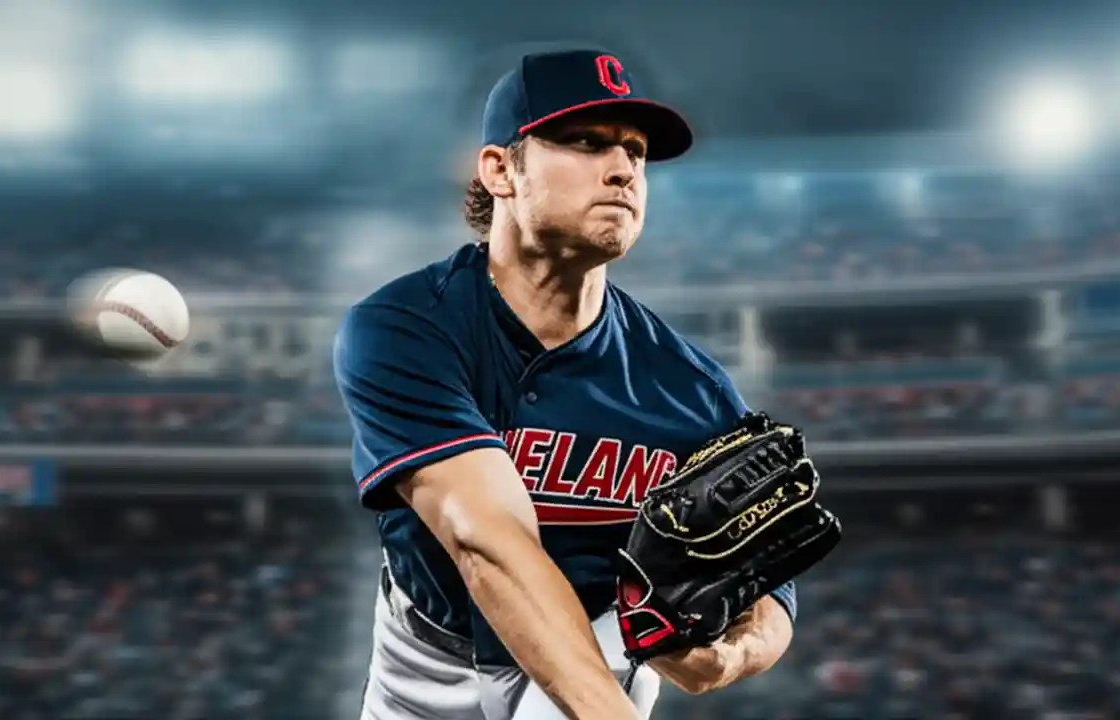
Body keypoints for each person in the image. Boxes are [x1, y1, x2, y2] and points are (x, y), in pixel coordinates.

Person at [334, 48, 798, 720]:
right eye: (585, 142)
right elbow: (486, 544)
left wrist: (733, 654)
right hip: (425, 661)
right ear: (500, 170)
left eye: (636, 152)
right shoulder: (407, 327)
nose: (623, 170)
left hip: (601, 644)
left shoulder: (692, 390)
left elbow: (772, 586)